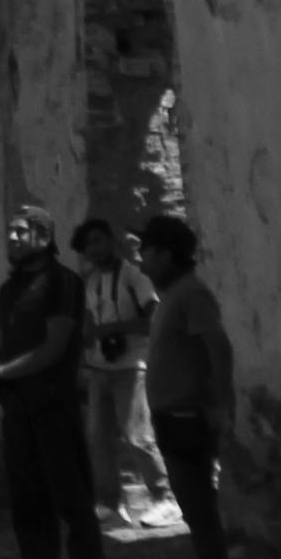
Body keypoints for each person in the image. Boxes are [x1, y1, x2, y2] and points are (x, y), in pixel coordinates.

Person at [0, 201, 112, 559]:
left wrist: (4, 371)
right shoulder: (8, 291)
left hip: (54, 407)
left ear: (44, 237)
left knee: (74, 504)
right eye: (12, 231)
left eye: (23, 231)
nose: (14, 238)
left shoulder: (63, 283)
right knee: (28, 506)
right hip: (19, 412)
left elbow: (54, 347)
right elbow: (4, 340)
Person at [137, 214, 238, 559]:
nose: (141, 258)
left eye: (147, 250)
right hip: (172, 415)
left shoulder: (190, 295)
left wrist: (221, 404)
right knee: (196, 513)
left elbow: (218, 345)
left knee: (200, 513)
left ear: (165, 254)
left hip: (187, 416)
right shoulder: (173, 296)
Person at [75, 216, 159, 520]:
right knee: (97, 436)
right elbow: (88, 327)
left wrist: (115, 328)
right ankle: (110, 502)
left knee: (138, 434)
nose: (95, 249)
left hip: (132, 365)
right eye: (88, 246)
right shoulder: (92, 283)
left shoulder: (134, 276)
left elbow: (153, 319)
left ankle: (163, 495)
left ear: (111, 240)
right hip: (100, 368)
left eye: (99, 240)